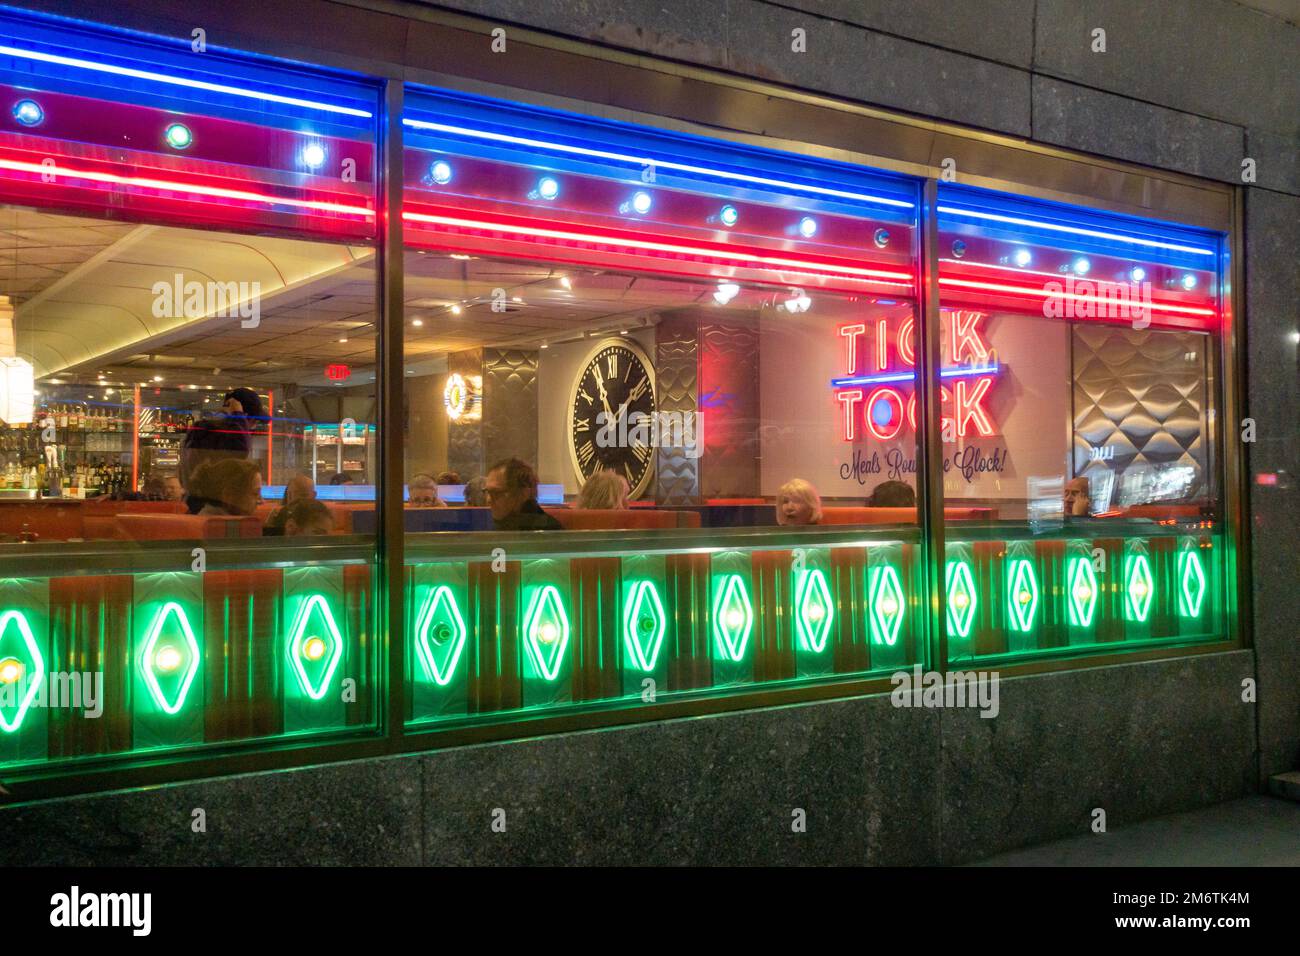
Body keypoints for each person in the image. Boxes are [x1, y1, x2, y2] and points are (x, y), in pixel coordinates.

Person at [180, 387, 264, 513]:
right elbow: (241, 449)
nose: (254, 427)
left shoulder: (201, 430)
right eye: (254, 421)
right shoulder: (231, 439)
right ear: (245, 416)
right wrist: (238, 416)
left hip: (194, 505)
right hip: (217, 509)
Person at [484, 458, 561, 530]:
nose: (489, 500)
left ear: (524, 494)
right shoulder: (498, 525)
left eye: (497, 493)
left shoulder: (547, 530)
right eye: (487, 492)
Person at [190, 458, 261, 517]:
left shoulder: (205, 519)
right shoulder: (227, 529)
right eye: (255, 494)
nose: (261, 501)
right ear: (229, 496)